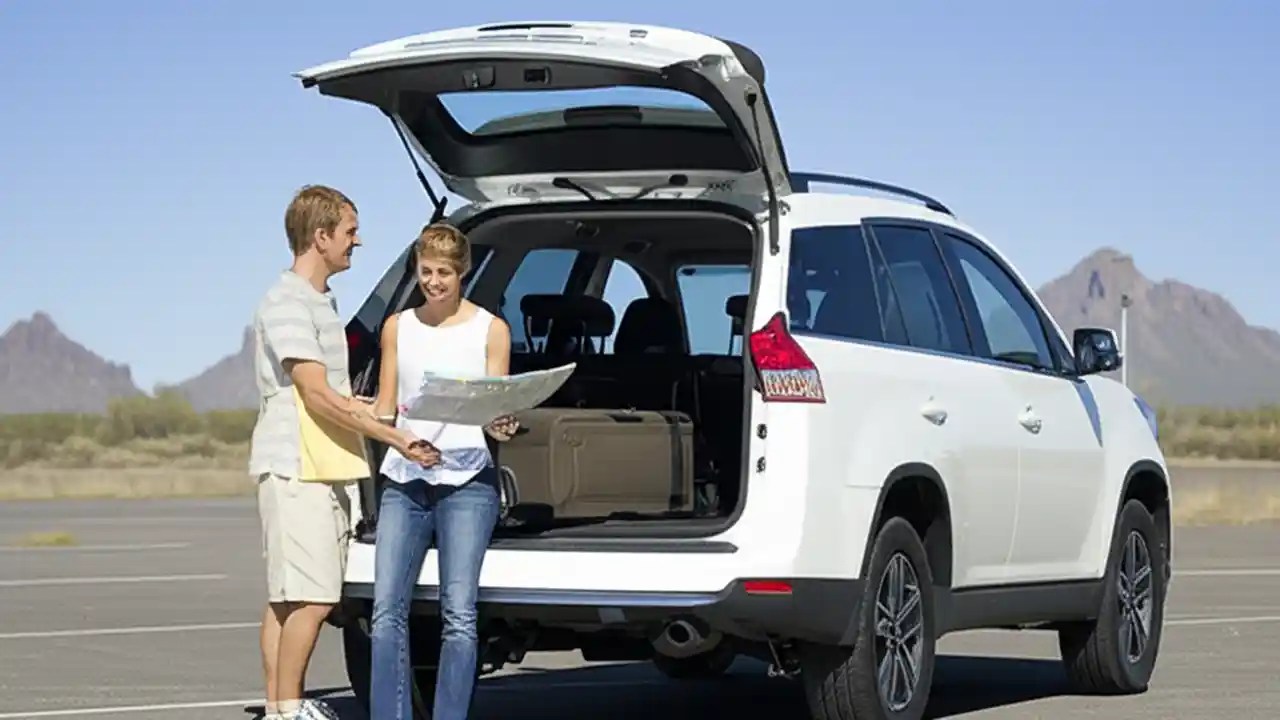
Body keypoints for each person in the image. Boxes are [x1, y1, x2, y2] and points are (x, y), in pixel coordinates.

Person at [250, 185, 439, 720]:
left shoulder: (317, 303)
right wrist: (397, 439)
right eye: (350, 232)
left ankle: (280, 707)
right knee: (311, 598)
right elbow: (313, 394)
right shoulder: (287, 303)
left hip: (322, 461)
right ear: (321, 236)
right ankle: (288, 710)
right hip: (297, 466)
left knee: (289, 597)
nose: (358, 242)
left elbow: (326, 390)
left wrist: (374, 410)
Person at [368, 222, 520, 720]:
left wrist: (504, 423)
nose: (433, 282)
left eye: (444, 274)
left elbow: (495, 418)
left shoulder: (490, 329)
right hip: (405, 480)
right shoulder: (397, 327)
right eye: (425, 271)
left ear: (463, 273)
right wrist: (351, 410)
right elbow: (386, 408)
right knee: (386, 611)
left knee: (460, 616)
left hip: (467, 483)